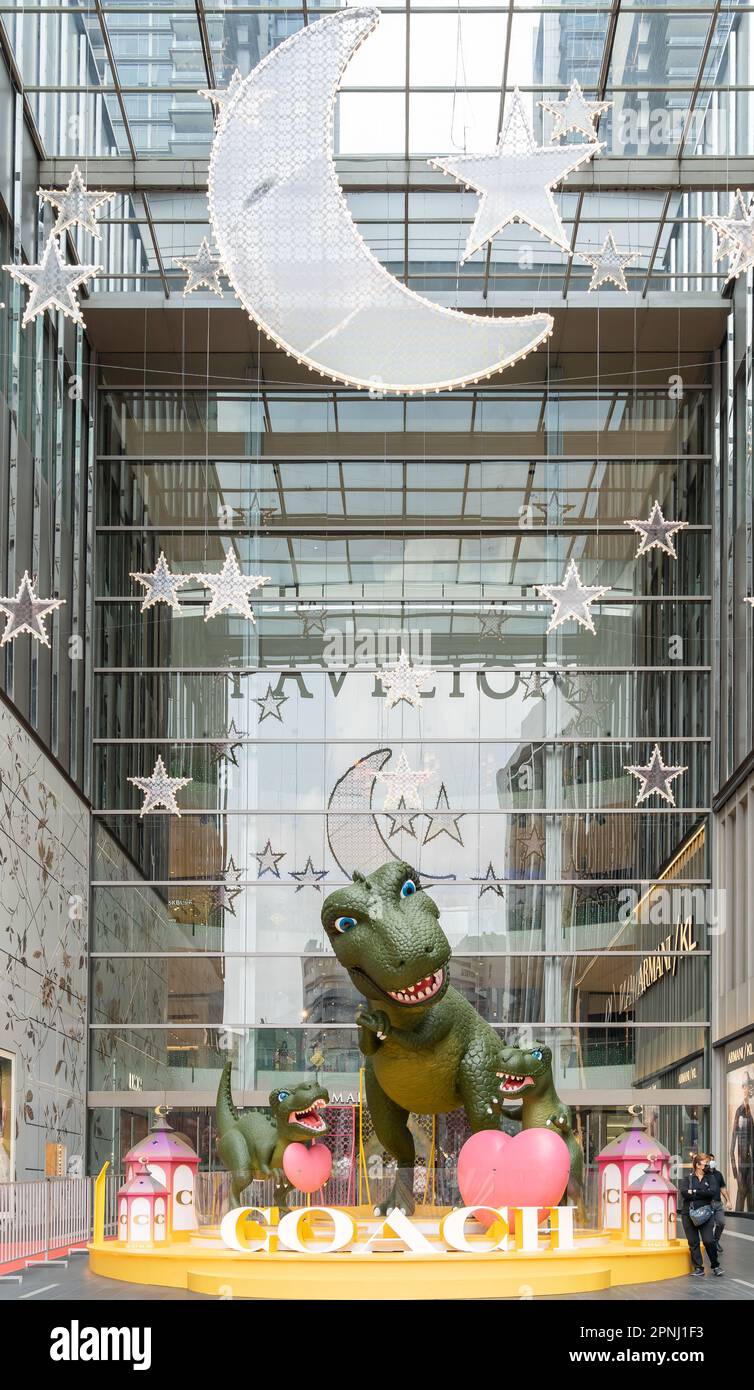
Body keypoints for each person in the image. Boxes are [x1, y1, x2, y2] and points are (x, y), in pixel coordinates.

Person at [678, 1153, 723, 1277]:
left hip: (706, 1213)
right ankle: (698, 1268)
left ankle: (715, 1265)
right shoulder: (688, 1179)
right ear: (697, 1165)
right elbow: (684, 1193)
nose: (708, 1165)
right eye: (705, 1163)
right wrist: (702, 1192)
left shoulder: (711, 1178)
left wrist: (694, 1191)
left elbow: (712, 1193)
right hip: (688, 1214)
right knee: (693, 1242)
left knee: (708, 1240)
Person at [729, 1073, 754, 1212]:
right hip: (742, 1163)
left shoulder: (751, 1114)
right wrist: (735, 1173)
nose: (747, 1090)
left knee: (751, 1197)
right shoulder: (739, 1112)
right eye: (745, 1086)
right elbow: (731, 1149)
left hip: (750, 1164)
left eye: (749, 1086)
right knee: (741, 1195)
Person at [704, 1153, 732, 1250]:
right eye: (709, 1160)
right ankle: (710, 1243)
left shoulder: (718, 1174)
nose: (711, 1162)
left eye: (712, 1160)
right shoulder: (703, 1174)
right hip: (707, 1204)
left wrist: (728, 1201)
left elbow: (723, 1188)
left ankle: (715, 1241)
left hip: (718, 1203)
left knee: (721, 1223)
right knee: (709, 1225)